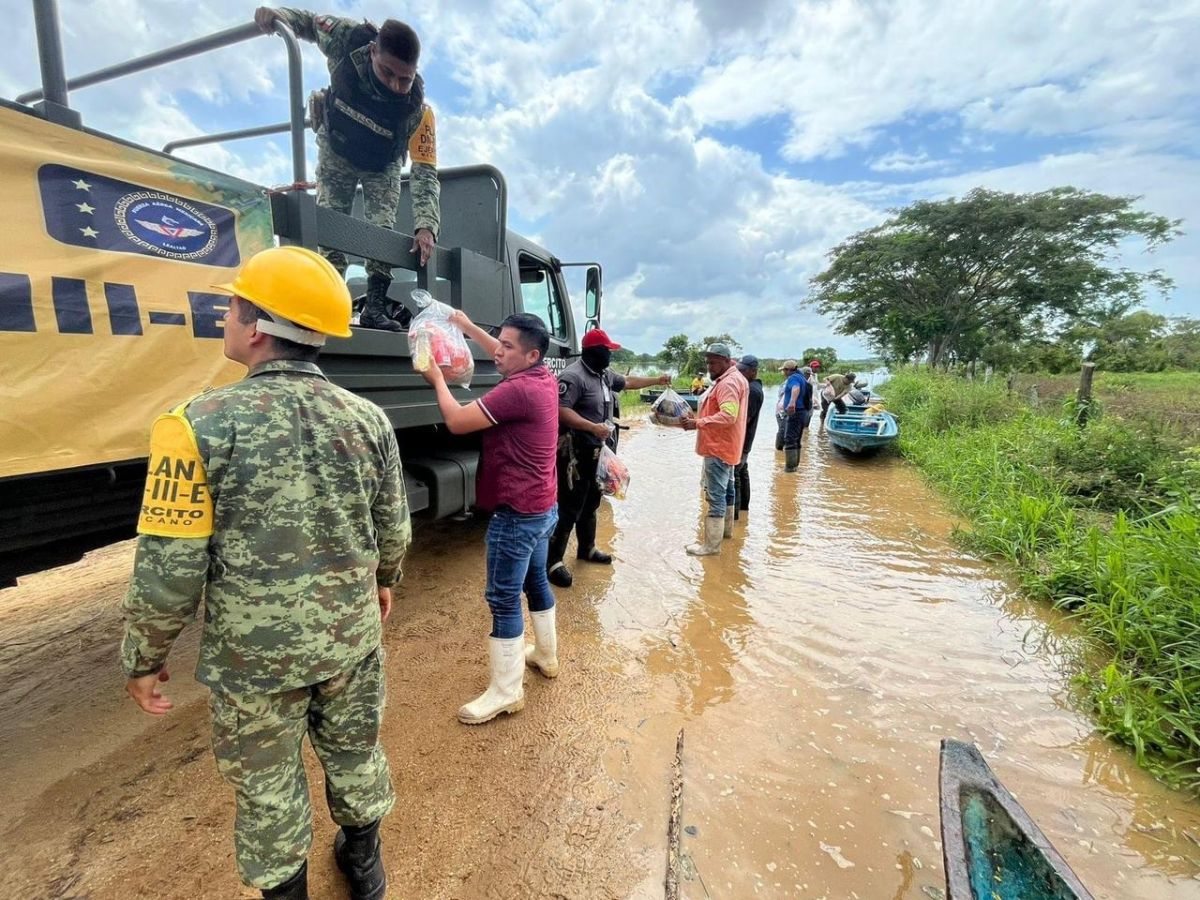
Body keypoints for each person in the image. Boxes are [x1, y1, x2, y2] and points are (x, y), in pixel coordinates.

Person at [121, 246, 411, 900]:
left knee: (267, 789)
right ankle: (364, 866)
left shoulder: (193, 426)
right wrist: (384, 579)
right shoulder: (368, 420)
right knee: (355, 752)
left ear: (256, 327)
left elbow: (169, 569)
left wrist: (144, 656)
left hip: (253, 661)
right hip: (350, 639)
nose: (225, 317)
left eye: (232, 306)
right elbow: (392, 527)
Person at [255, 6, 440, 332]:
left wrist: (426, 226)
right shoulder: (347, 38)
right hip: (337, 149)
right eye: (387, 73)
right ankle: (329, 300)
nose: (395, 85)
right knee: (330, 223)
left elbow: (425, 171)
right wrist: (278, 15)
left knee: (381, 229)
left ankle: (375, 308)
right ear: (372, 52)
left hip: (382, 164)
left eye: (405, 79)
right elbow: (309, 23)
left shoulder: (418, 111)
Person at [417, 311, 560, 724]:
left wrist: (437, 379)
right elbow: (501, 349)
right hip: (542, 506)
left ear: (531, 355)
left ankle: (507, 691)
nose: (497, 350)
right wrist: (467, 326)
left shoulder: (517, 391)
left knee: (503, 598)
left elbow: (457, 421)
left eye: (507, 346)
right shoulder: (543, 378)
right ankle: (546, 656)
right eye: (500, 340)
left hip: (516, 513)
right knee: (535, 581)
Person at [546, 329, 670, 588]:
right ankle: (553, 562)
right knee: (570, 507)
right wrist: (592, 427)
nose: (610, 355)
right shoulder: (573, 376)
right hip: (575, 454)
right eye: (607, 350)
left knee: (592, 502)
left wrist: (657, 379)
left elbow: (629, 382)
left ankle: (587, 549)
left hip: (598, 453)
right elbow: (560, 410)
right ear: (594, 352)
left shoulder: (604, 374)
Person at [680, 343, 748, 556]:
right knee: (728, 490)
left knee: (716, 496)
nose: (709, 367)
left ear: (727, 361)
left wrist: (698, 423)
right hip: (729, 446)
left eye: (714, 363)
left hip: (718, 447)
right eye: (708, 362)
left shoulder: (728, 383)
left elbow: (728, 416)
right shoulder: (734, 378)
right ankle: (725, 533)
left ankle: (711, 546)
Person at [732, 354, 764, 519]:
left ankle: (734, 515)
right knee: (742, 472)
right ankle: (743, 511)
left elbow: (745, 420)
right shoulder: (752, 387)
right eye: (739, 370)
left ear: (753, 371)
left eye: (743, 371)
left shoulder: (751, 391)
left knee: (735, 476)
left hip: (742, 439)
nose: (739, 373)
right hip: (745, 440)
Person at [779, 358, 813, 472]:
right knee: (796, 439)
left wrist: (792, 402)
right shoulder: (801, 377)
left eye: (784, 370)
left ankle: (790, 469)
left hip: (795, 412)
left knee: (789, 439)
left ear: (789, 370)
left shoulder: (793, 378)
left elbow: (795, 388)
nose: (783, 372)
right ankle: (794, 467)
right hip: (802, 412)